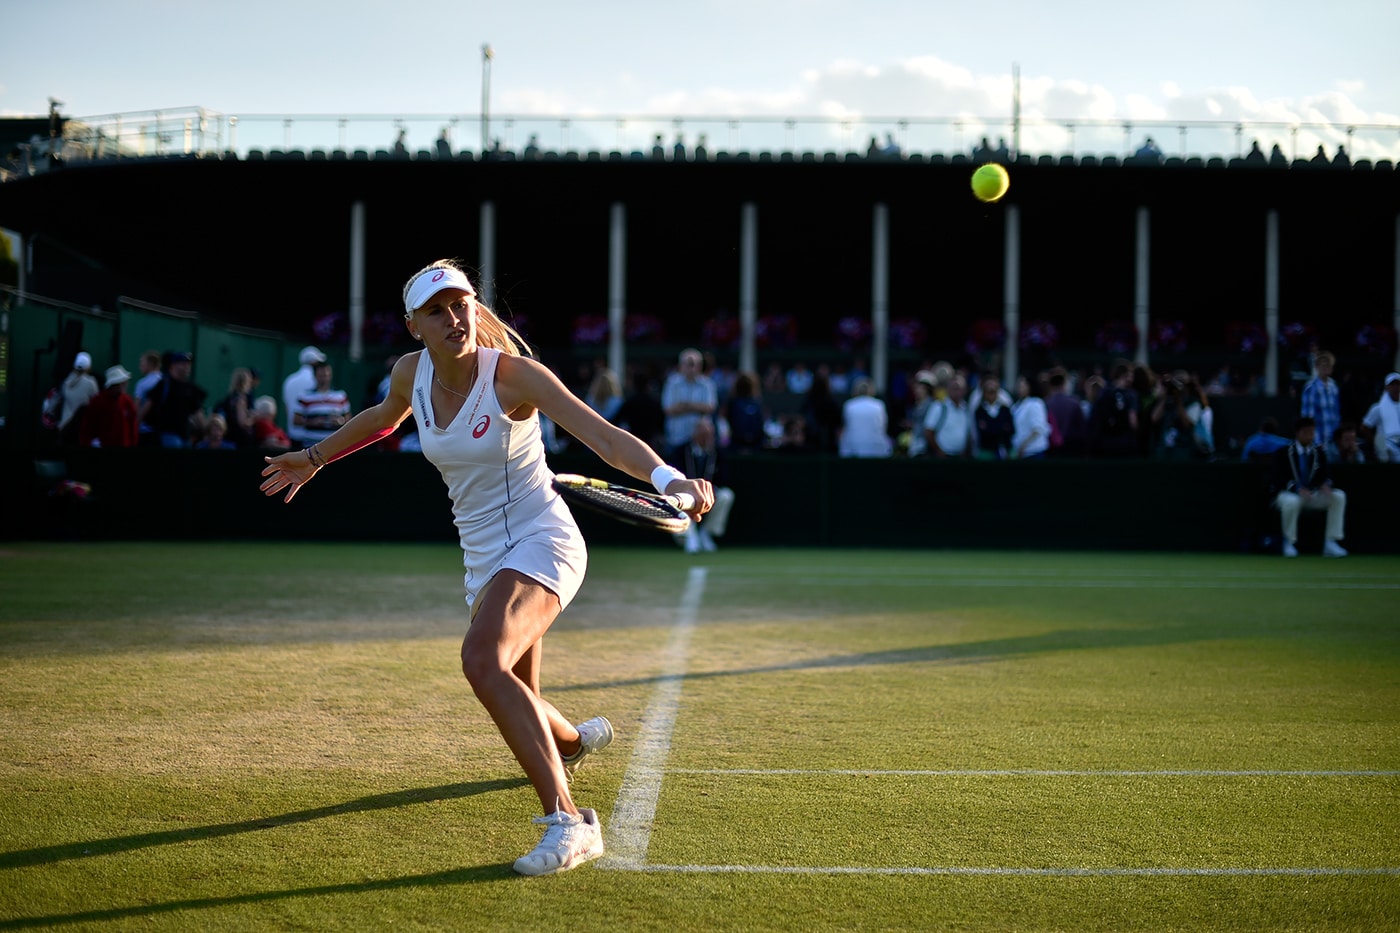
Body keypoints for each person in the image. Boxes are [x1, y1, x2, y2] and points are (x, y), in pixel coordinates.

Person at [259, 260, 713, 877]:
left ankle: (572, 824)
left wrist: (670, 478)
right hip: (483, 558)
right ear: (414, 325)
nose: (454, 318)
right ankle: (576, 742)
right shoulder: (410, 372)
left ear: (476, 308)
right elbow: (384, 417)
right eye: (437, 310)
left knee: (481, 661)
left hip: (542, 538)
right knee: (519, 689)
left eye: (462, 304)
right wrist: (314, 457)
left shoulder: (515, 376)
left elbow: (603, 436)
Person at [1271, 417, 1347, 558]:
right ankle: (1289, 542)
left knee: (1338, 496)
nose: (1310, 436)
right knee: (1291, 502)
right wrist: (1296, 488)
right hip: (1289, 495)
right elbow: (1277, 478)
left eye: (1312, 432)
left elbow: (1325, 475)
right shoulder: (1283, 452)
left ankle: (1330, 542)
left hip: (1311, 495)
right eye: (1306, 432)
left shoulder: (1318, 452)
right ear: (1298, 433)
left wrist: (1325, 485)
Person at [668, 417, 734, 553]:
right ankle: (688, 536)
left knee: (726, 495)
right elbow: (674, 474)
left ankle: (706, 533)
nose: (707, 438)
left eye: (709, 435)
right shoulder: (681, 451)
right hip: (684, 492)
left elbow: (723, 478)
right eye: (703, 435)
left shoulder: (717, 452)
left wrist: (709, 490)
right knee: (673, 498)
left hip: (708, 494)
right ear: (695, 434)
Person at [140, 351, 207, 448]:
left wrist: (205, 431)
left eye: (188, 364)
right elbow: (147, 406)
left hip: (185, 435)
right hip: (167, 434)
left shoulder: (190, 388)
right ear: (173, 365)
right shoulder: (164, 385)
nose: (186, 367)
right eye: (183, 363)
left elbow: (198, 412)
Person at [661, 348, 717, 453]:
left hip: (699, 442)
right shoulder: (672, 383)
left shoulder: (707, 384)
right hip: (676, 438)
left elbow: (710, 407)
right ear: (681, 365)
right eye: (689, 364)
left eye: (694, 364)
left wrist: (684, 405)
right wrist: (697, 408)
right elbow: (668, 409)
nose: (691, 368)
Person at [79, 364, 139, 448]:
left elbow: (132, 424)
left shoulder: (127, 401)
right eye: (122, 383)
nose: (125, 385)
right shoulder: (98, 401)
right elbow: (88, 426)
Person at [293, 360, 351, 443]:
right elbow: (296, 421)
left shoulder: (341, 395)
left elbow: (348, 419)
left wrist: (340, 421)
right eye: (321, 376)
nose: (325, 379)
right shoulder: (304, 396)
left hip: (334, 444)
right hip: (311, 444)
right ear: (315, 376)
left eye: (327, 375)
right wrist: (313, 422)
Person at [282, 346, 326, 444]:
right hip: (311, 438)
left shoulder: (289, 381)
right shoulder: (315, 381)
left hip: (292, 434)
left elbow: (287, 408)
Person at [838, 379, 892, 458]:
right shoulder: (879, 405)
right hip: (876, 449)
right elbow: (883, 427)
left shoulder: (849, 405)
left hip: (853, 449)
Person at [1300, 350, 1341, 452]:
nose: (1325, 368)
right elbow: (1308, 417)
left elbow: (1336, 414)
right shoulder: (1310, 388)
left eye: (1328, 365)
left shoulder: (1334, 387)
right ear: (1317, 367)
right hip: (1318, 442)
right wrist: (1316, 442)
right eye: (1322, 365)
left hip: (1334, 442)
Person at [923, 373, 972, 458]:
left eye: (960, 389)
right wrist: (939, 451)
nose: (958, 392)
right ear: (948, 390)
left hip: (960, 456)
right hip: (943, 457)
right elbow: (928, 432)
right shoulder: (938, 407)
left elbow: (968, 433)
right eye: (955, 388)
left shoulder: (966, 409)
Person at [57, 351, 101, 445]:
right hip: (81, 428)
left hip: (64, 427)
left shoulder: (66, 382)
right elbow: (97, 403)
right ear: (88, 366)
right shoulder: (91, 383)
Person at [972, 372, 1014, 460]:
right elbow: (981, 432)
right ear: (984, 393)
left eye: (993, 391)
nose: (991, 394)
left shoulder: (1005, 409)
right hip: (985, 451)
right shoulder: (979, 410)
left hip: (1004, 451)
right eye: (988, 391)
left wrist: (990, 427)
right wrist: (1000, 427)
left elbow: (1010, 429)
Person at [1360, 373, 1400, 463]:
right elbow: (1364, 427)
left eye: (1398, 385)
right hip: (1388, 444)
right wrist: (1376, 443)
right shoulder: (1378, 408)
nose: (1396, 388)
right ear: (1387, 387)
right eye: (1393, 385)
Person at [1010, 374, 1051, 460]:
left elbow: (1038, 429)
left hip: (1034, 452)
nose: (1019, 388)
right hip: (1021, 452)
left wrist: (1023, 446)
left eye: (1023, 385)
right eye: (1019, 385)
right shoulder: (1017, 405)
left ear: (1030, 386)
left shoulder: (1036, 403)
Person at [215, 368, 256, 448]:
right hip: (240, 441)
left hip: (230, 437)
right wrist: (254, 418)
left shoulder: (230, 398)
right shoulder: (241, 399)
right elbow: (242, 422)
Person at [132, 349, 164, 446]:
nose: (140, 366)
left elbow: (136, 407)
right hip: (163, 430)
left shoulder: (142, 384)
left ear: (150, 364)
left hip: (145, 430)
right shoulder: (166, 381)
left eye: (142, 362)